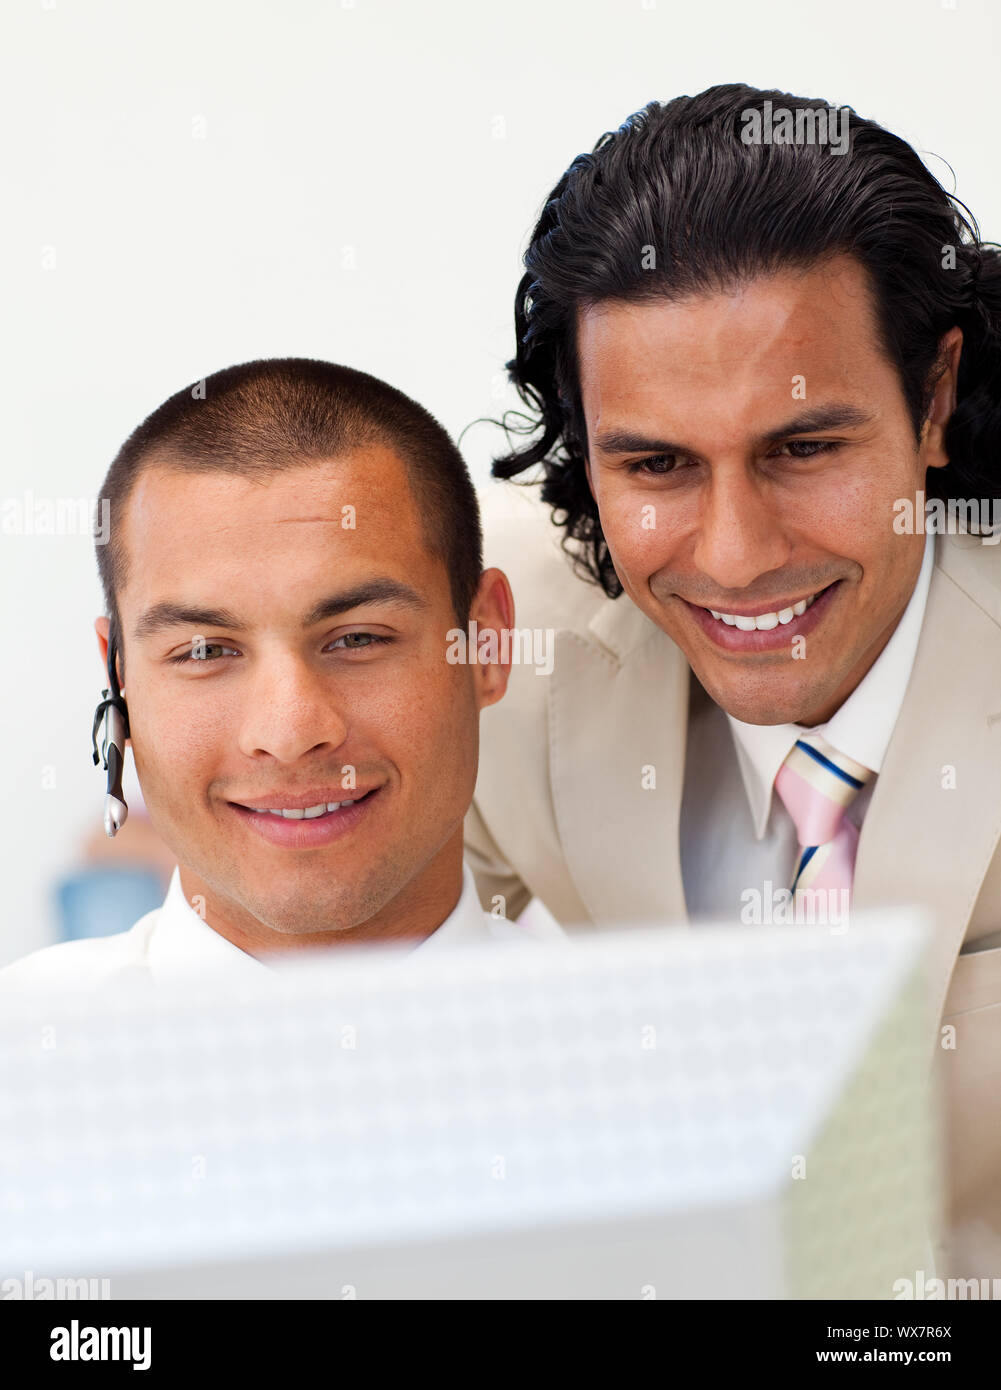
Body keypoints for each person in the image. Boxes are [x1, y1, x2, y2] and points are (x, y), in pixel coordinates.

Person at [464, 84, 1001, 1271]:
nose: (734, 554)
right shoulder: (491, 638)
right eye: (655, 462)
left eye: (803, 448)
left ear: (933, 397)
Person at [2, 356, 535, 993]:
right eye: (204, 652)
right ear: (120, 684)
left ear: (484, 646)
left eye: (358, 638)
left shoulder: (645, 1045)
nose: (288, 734)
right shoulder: (27, 1057)